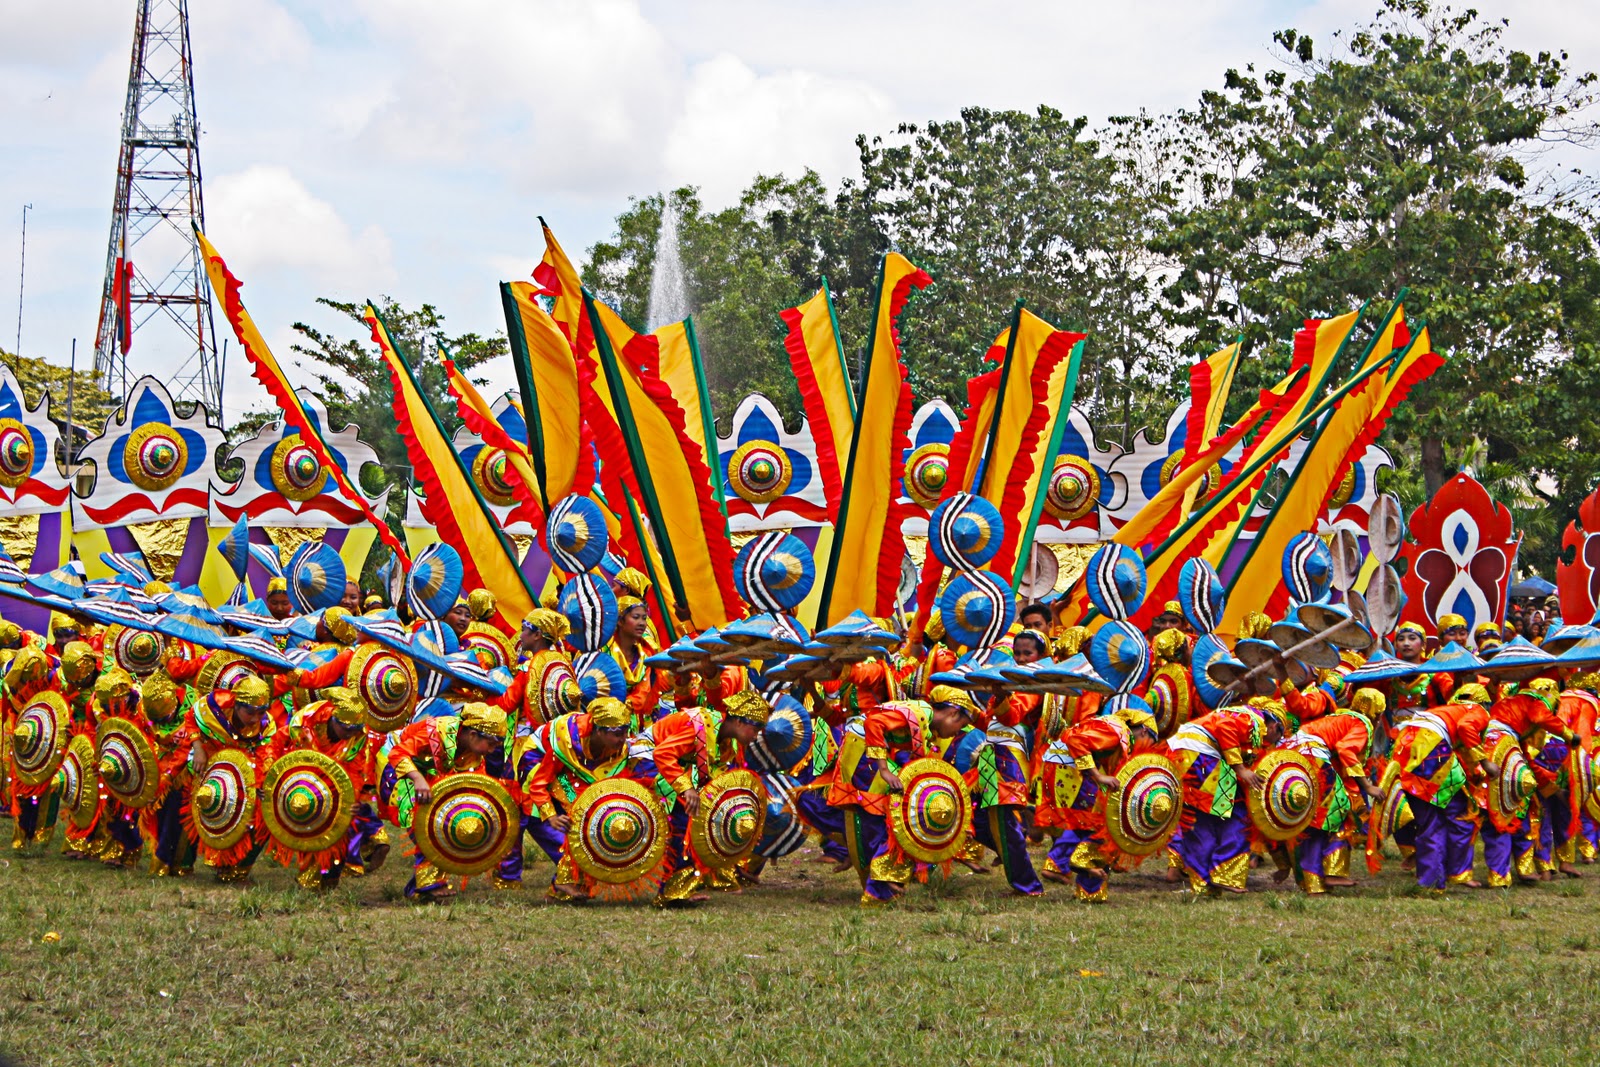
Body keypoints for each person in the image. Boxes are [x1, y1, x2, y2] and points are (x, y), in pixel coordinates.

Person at [649, 688, 769, 906]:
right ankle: (673, 892)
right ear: (740, 722)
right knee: (684, 821)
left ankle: (686, 885)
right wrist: (687, 789)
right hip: (649, 761)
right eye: (756, 729)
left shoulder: (728, 743)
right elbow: (662, 753)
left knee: (701, 816)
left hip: (673, 768)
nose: (756, 736)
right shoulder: (698, 726)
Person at [382, 702, 508, 901]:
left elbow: (475, 789)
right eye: (491, 744)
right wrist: (418, 779)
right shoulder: (436, 732)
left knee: (448, 820)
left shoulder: (474, 754)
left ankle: (419, 887)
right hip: (398, 766)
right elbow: (398, 753)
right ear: (473, 735)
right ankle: (426, 885)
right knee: (424, 823)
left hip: (429, 774)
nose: (492, 750)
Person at [1037, 703, 1159, 901]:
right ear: (1144, 730)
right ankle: (1086, 874)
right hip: (1071, 770)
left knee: (1082, 821)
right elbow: (1077, 741)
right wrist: (1098, 776)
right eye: (1150, 741)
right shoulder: (1116, 731)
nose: (1147, 747)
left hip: (1061, 767)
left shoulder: (1116, 728)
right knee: (1099, 824)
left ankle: (1059, 864)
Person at [519, 696, 634, 902]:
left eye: (626, 732)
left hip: (572, 770)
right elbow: (539, 783)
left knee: (590, 819)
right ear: (599, 730)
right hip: (540, 759)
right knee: (572, 810)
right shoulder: (565, 741)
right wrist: (551, 816)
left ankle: (559, 892)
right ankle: (563, 882)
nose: (624, 739)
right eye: (617, 734)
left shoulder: (618, 750)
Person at [1166, 700, 1286, 894]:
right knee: (1239, 815)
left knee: (1200, 821)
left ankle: (1203, 883)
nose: (1271, 743)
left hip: (1183, 755)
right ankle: (1224, 873)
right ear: (1274, 726)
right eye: (1277, 736)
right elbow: (1224, 725)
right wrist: (1240, 769)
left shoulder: (1243, 716)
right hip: (1201, 756)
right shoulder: (1254, 719)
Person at [281, 686, 386, 890]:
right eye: (346, 730)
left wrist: (351, 797)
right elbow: (276, 748)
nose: (349, 736)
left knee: (343, 819)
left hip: (337, 784)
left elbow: (355, 771)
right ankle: (310, 878)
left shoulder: (357, 736)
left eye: (354, 731)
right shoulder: (301, 726)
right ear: (333, 720)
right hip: (299, 781)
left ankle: (333, 873)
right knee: (311, 816)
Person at [1287, 688, 1385, 893]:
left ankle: (1313, 884)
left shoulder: (1341, 716)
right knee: (1339, 813)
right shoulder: (1361, 723)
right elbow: (1345, 749)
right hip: (1312, 756)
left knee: (1314, 824)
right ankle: (1333, 873)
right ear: (1377, 713)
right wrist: (1367, 786)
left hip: (1294, 756)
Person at [1392, 689, 1490, 892]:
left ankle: (1430, 881)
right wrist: (1485, 763)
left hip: (1407, 744)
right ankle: (1458, 872)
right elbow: (1466, 727)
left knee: (1429, 819)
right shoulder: (1477, 709)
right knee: (1461, 814)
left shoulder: (1443, 710)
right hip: (1431, 747)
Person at [187, 674, 282, 883]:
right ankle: (209, 862)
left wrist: (263, 779)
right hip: (213, 765)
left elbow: (267, 752)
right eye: (250, 712)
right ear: (237, 705)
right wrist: (197, 748)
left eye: (261, 712)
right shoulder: (214, 707)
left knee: (260, 812)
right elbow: (190, 718)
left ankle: (240, 867)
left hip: (248, 767)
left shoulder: (265, 724)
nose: (256, 718)